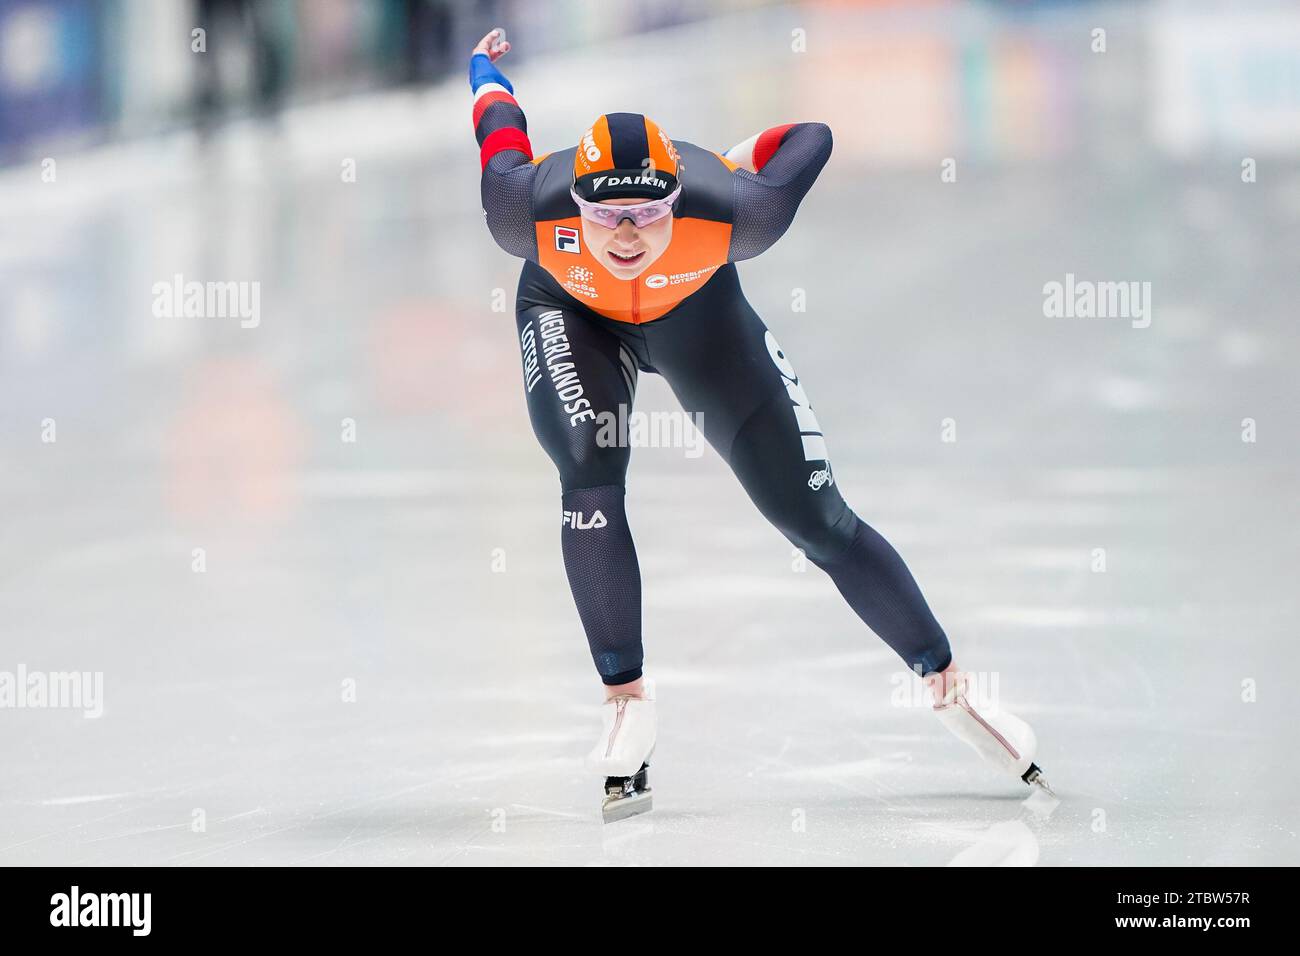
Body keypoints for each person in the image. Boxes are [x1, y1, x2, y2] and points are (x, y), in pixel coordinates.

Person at [468, 28, 1051, 821]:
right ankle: (624, 700)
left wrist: (744, 151)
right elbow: (499, 130)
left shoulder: (743, 211)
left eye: (648, 212)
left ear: (680, 201)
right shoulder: (520, 212)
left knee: (816, 521)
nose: (629, 236)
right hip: (570, 314)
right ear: (574, 204)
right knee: (588, 476)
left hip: (701, 319)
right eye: (607, 217)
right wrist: (483, 65)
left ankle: (949, 687)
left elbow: (813, 137)